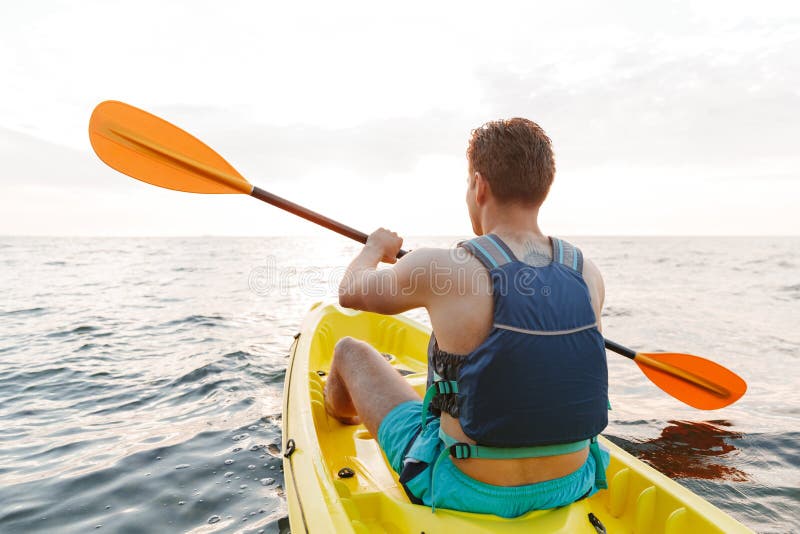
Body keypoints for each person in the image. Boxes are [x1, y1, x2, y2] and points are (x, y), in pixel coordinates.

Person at [324, 118, 610, 517]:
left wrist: (374, 248)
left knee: (349, 352)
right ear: (543, 188)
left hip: (465, 485)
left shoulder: (443, 268)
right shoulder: (586, 273)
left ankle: (339, 415)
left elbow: (351, 292)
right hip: (572, 481)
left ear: (479, 185)